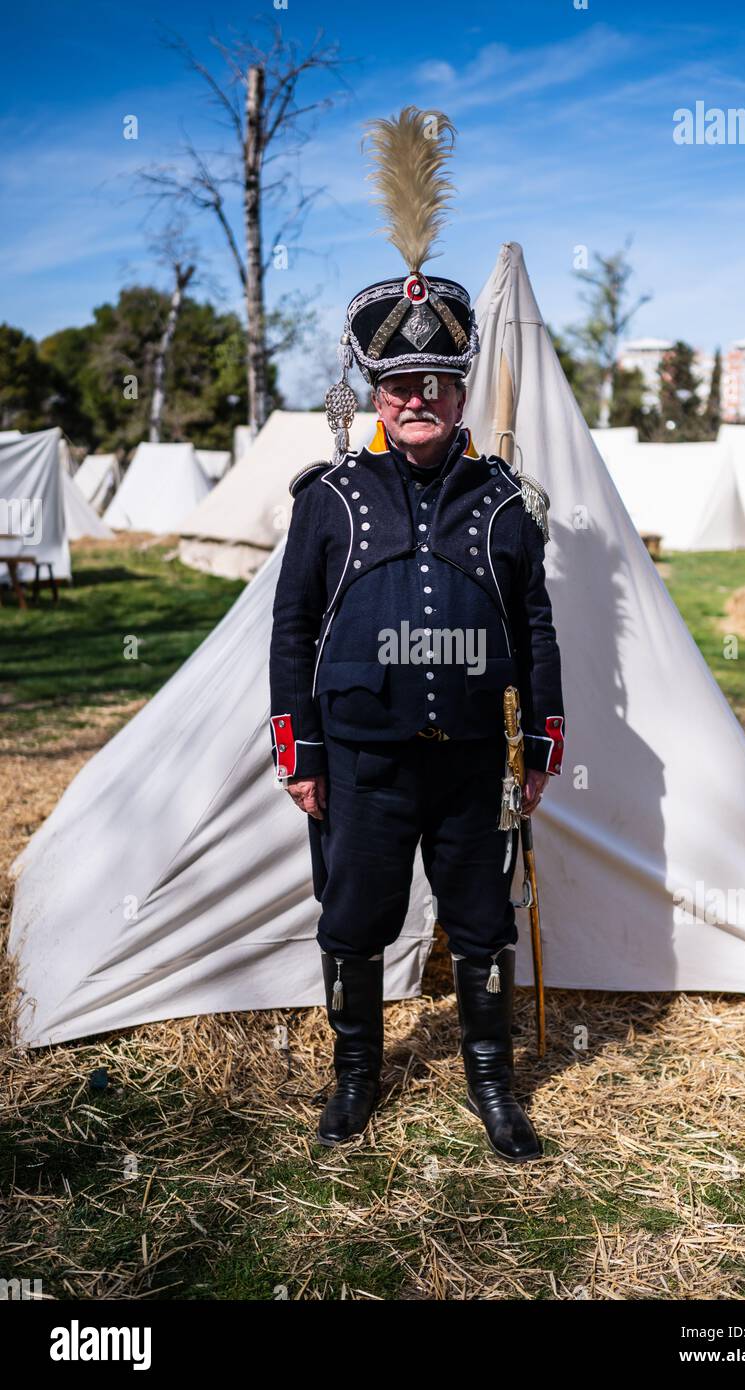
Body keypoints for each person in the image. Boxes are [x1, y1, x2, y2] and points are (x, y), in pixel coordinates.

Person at [268, 107, 565, 1162]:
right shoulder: (330, 498)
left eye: (439, 383)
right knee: (353, 925)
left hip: (477, 766)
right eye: (402, 385)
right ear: (376, 394)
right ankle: (355, 1084)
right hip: (359, 764)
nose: (422, 399)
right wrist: (297, 750)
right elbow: (294, 622)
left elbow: (533, 626)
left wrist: (541, 748)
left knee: (481, 929)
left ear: (458, 387)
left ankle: (494, 1089)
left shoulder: (503, 500)